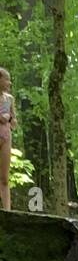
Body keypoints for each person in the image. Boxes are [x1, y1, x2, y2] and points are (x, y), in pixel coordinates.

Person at [0, 69, 17, 213]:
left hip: (6, 136)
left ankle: (7, 211)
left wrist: (12, 121)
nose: (9, 82)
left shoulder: (9, 99)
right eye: (6, 79)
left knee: (4, 177)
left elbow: (13, 117)